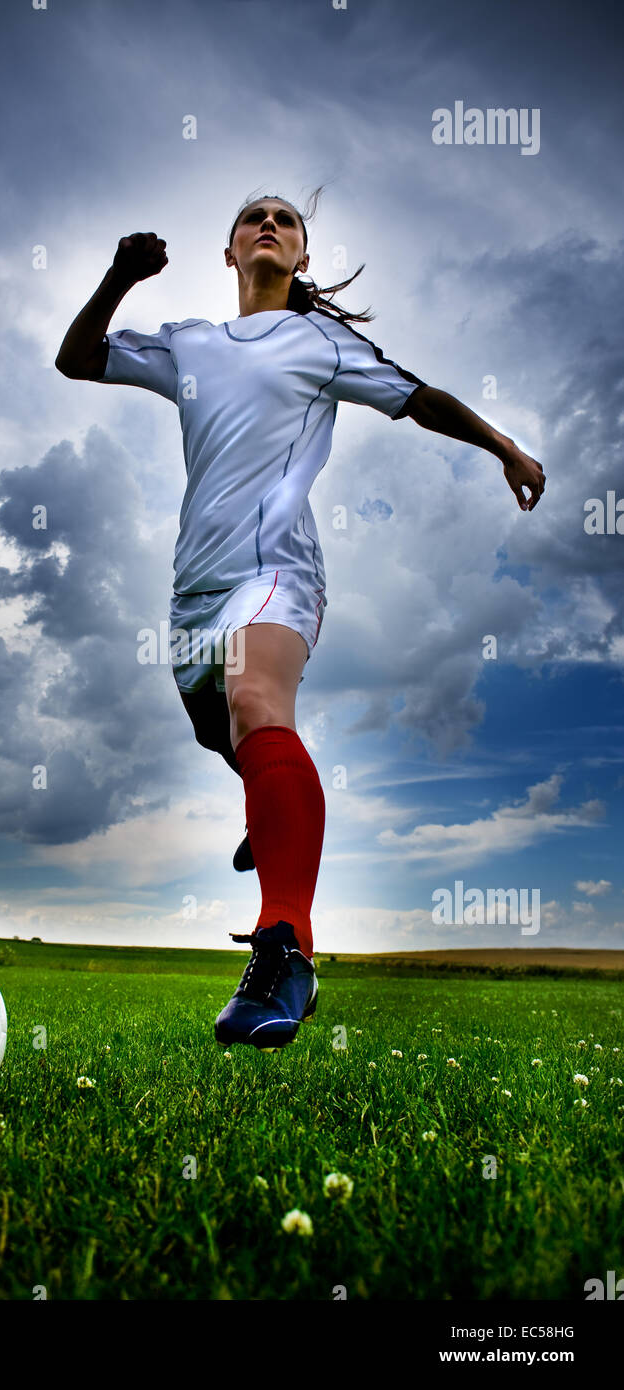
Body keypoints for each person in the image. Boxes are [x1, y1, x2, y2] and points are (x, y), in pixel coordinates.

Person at [55, 187, 545, 1052]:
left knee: (254, 702)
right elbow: (77, 358)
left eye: (287, 220)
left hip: (278, 570)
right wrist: (119, 276)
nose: (271, 226)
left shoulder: (323, 342)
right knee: (222, 730)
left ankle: (285, 952)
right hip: (193, 587)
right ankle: (265, 805)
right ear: (231, 252)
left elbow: (418, 397)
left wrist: (503, 444)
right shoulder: (189, 344)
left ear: (304, 258)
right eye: (255, 219)